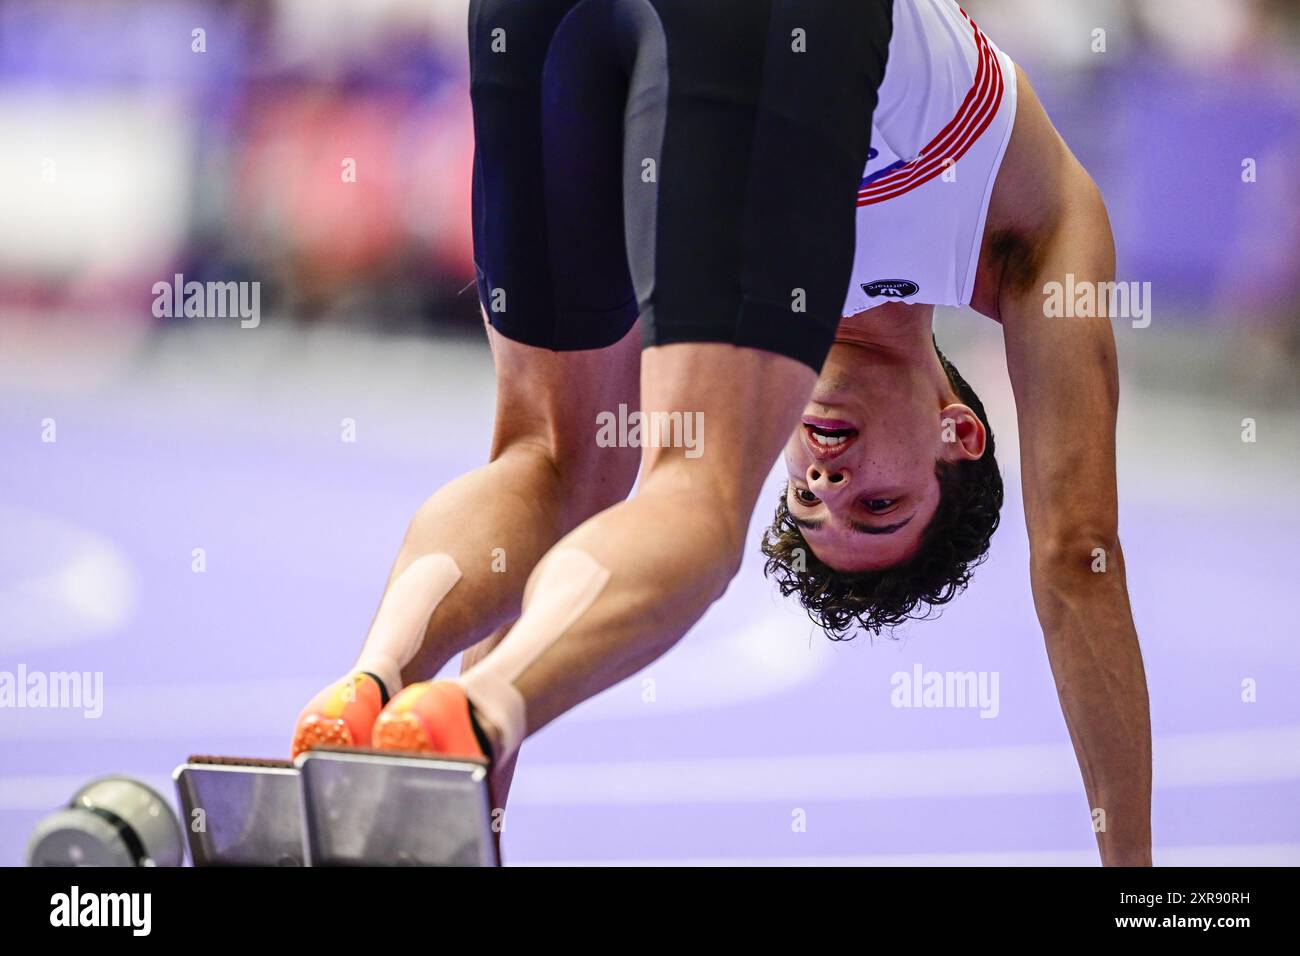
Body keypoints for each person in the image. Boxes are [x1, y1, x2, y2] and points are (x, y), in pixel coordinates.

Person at [294, 0, 1152, 867]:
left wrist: (463, 805)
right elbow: (1077, 552)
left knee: (553, 461)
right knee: (696, 501)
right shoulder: (1028, 237)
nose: (829, 480)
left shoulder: (750, 276)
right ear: (959, 432)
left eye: (810, 503)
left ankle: (375, 684)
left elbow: (534, 529)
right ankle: (475, 713)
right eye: (880, 504)